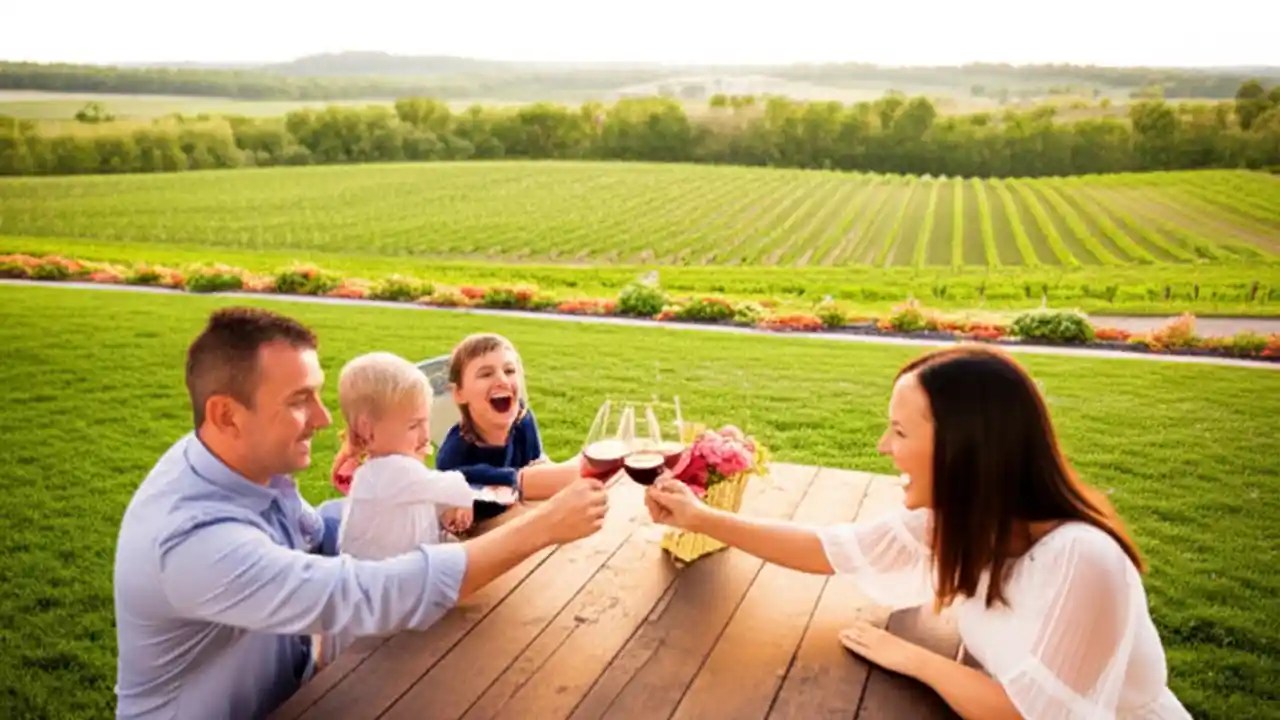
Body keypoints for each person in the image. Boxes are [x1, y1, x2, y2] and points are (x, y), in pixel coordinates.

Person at [112, 307, 608, 720]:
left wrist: (376, 485)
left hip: (307, 689)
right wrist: (540, 528)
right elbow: (360, 593)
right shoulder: (190, 542)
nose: (326, 420)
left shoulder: (235, 464)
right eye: (299, 400)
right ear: (226, 414)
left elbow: (319, 533)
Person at [645, 346, 1190, 719]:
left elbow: (1022, 713)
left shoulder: (1082, 558)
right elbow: (827, 548)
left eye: (900, 430)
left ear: (965, 448)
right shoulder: (965, 520)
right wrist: (702, 517)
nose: (884, 445)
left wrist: (909, 658)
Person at [435, 333, 580, 530]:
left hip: (528, 515)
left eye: (510, 371)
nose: (502, 380)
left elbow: (539, 466)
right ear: (459, 394)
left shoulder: (523, 422)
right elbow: (454, 483)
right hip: (486, 534)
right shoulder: (455, 454)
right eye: (486, 374)